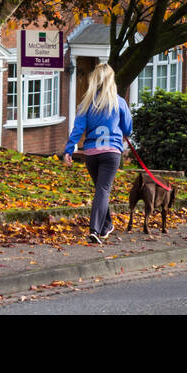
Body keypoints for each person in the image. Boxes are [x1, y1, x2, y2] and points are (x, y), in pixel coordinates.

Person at [63, 63, 133, 243]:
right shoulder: (120, 102)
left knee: (101, 190)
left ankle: (106, 226)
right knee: (103, 190)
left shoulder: (86, 103)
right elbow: (128, 128)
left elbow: (77, 129)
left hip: (92, 154)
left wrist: (69, 150)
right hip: (111, 153)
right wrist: (122, 132)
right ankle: (94, 229)